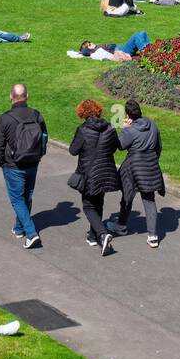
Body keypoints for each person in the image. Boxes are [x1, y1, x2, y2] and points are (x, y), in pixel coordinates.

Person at [0, 83, 48, 250]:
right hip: (32, 163)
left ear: (11, 97)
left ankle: (31, 233)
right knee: (27, 196)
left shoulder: (5, 118)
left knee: (17, 199)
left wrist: (1, 162)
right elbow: (44, 137)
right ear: (28, 95)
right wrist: (40, 155)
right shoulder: (37, 115)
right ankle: (19, 228)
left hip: (13, 165)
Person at [108, 100, 165, 248]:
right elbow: (158, 146)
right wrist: (153, 160)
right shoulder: (152, 124)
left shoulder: (130, 130)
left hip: (133, 166)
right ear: (140, 111)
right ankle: (152, 236)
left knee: (127, 196)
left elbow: (120, 146)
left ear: (128, 114)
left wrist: (124, 128)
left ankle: (121, 226)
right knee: (149, 199)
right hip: (150, 165)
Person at [69, 99, 121, 255]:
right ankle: (93, 236)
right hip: (105, 172)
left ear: (82, 113)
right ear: (98, 111)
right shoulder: (110, 128)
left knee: (88, 206)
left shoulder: (83, 130)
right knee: (98, 203)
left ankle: (103, 234)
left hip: (89, 173)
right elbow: (114, 147)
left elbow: (73, 150)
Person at [79, 32, 151, 59]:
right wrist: (83, 51)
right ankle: (146, 52)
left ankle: (149, 50)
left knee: (143, 33)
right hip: (121, 50)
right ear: (88, 48)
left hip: (121, 47)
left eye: (90, 42)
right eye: (89, 44)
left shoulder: (98, 48)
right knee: (136, 36)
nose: (92, 43)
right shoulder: (96, 51)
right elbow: (85, 51)